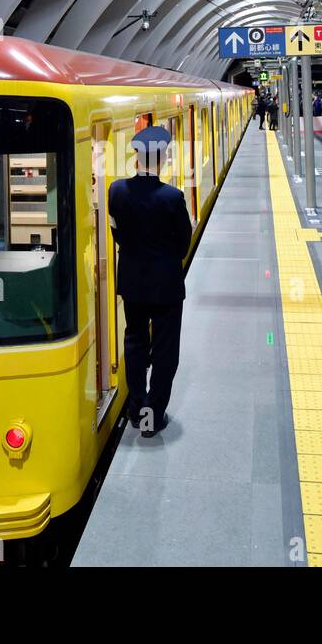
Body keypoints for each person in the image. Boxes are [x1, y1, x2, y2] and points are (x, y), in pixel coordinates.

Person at [108, 125, 193, 438]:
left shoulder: (116, 191)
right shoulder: (172, 198)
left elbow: (117, 232)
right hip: (166, 286)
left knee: (135, 342)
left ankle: (136, 408)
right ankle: (153, 416)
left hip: (132, 283)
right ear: (163, 158)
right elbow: (184, 244)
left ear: (136, 157)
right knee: (165, 350)